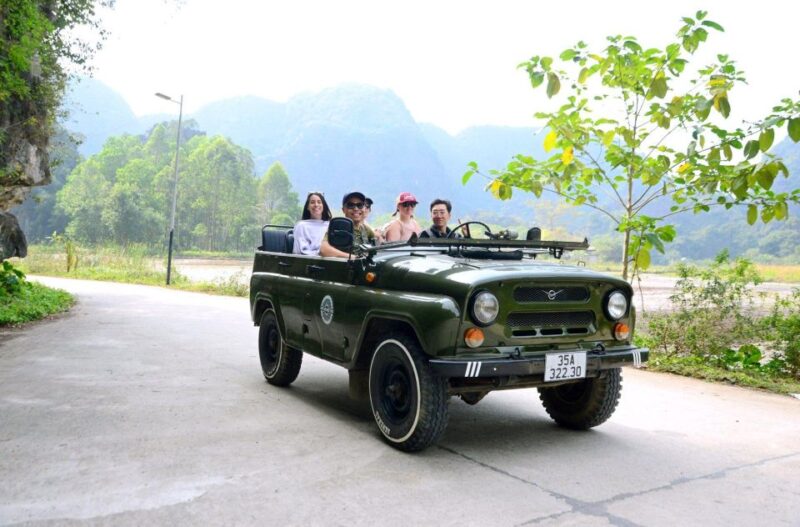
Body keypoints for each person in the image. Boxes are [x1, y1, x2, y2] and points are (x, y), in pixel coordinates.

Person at [319, 191, 376, 257]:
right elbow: (323, 249)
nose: (356, 208)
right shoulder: (338, 227)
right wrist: (352, 257)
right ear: (343, 209)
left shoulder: (367, 230)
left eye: (360, 205)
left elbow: (375, 249)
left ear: (364, 208)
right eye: (350, 205)